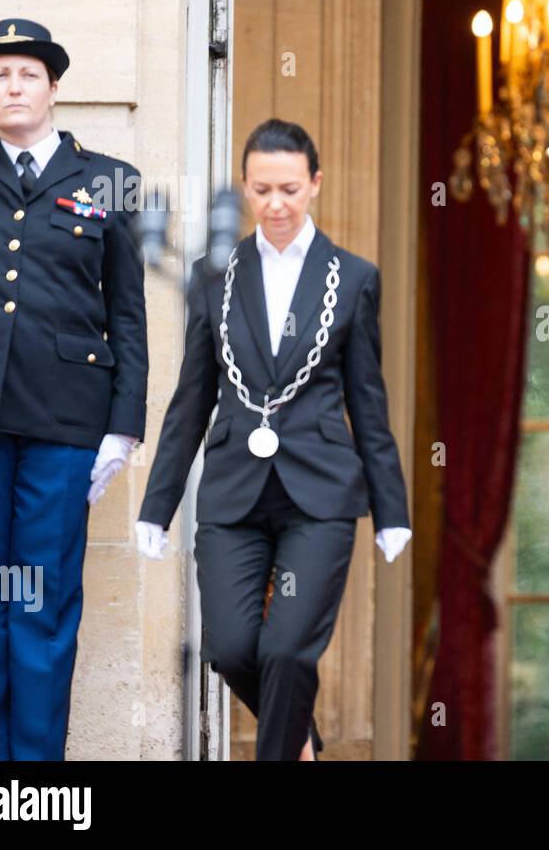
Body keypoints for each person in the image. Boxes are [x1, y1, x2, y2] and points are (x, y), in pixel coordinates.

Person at [134, 118, 411, 761]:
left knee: (288, 649)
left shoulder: (355, 277)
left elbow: (369, 405)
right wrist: (157, 505)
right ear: (246, 187)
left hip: (321, 496)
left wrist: (391, 511)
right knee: (231, 647)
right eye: (261, 190)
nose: (276, 204)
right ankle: (302, 736)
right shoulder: (212, 276)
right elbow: (191, 400)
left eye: (289, 188)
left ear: (315, 184)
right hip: (234, 495)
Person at [0, 21, 148, 760]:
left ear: (54, 87)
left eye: (28, 74)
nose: (13, 86)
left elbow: (127, 310)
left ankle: (32, 785)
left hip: (66, 423)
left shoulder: (110, 179)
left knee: (43, 604)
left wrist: (123, 427)